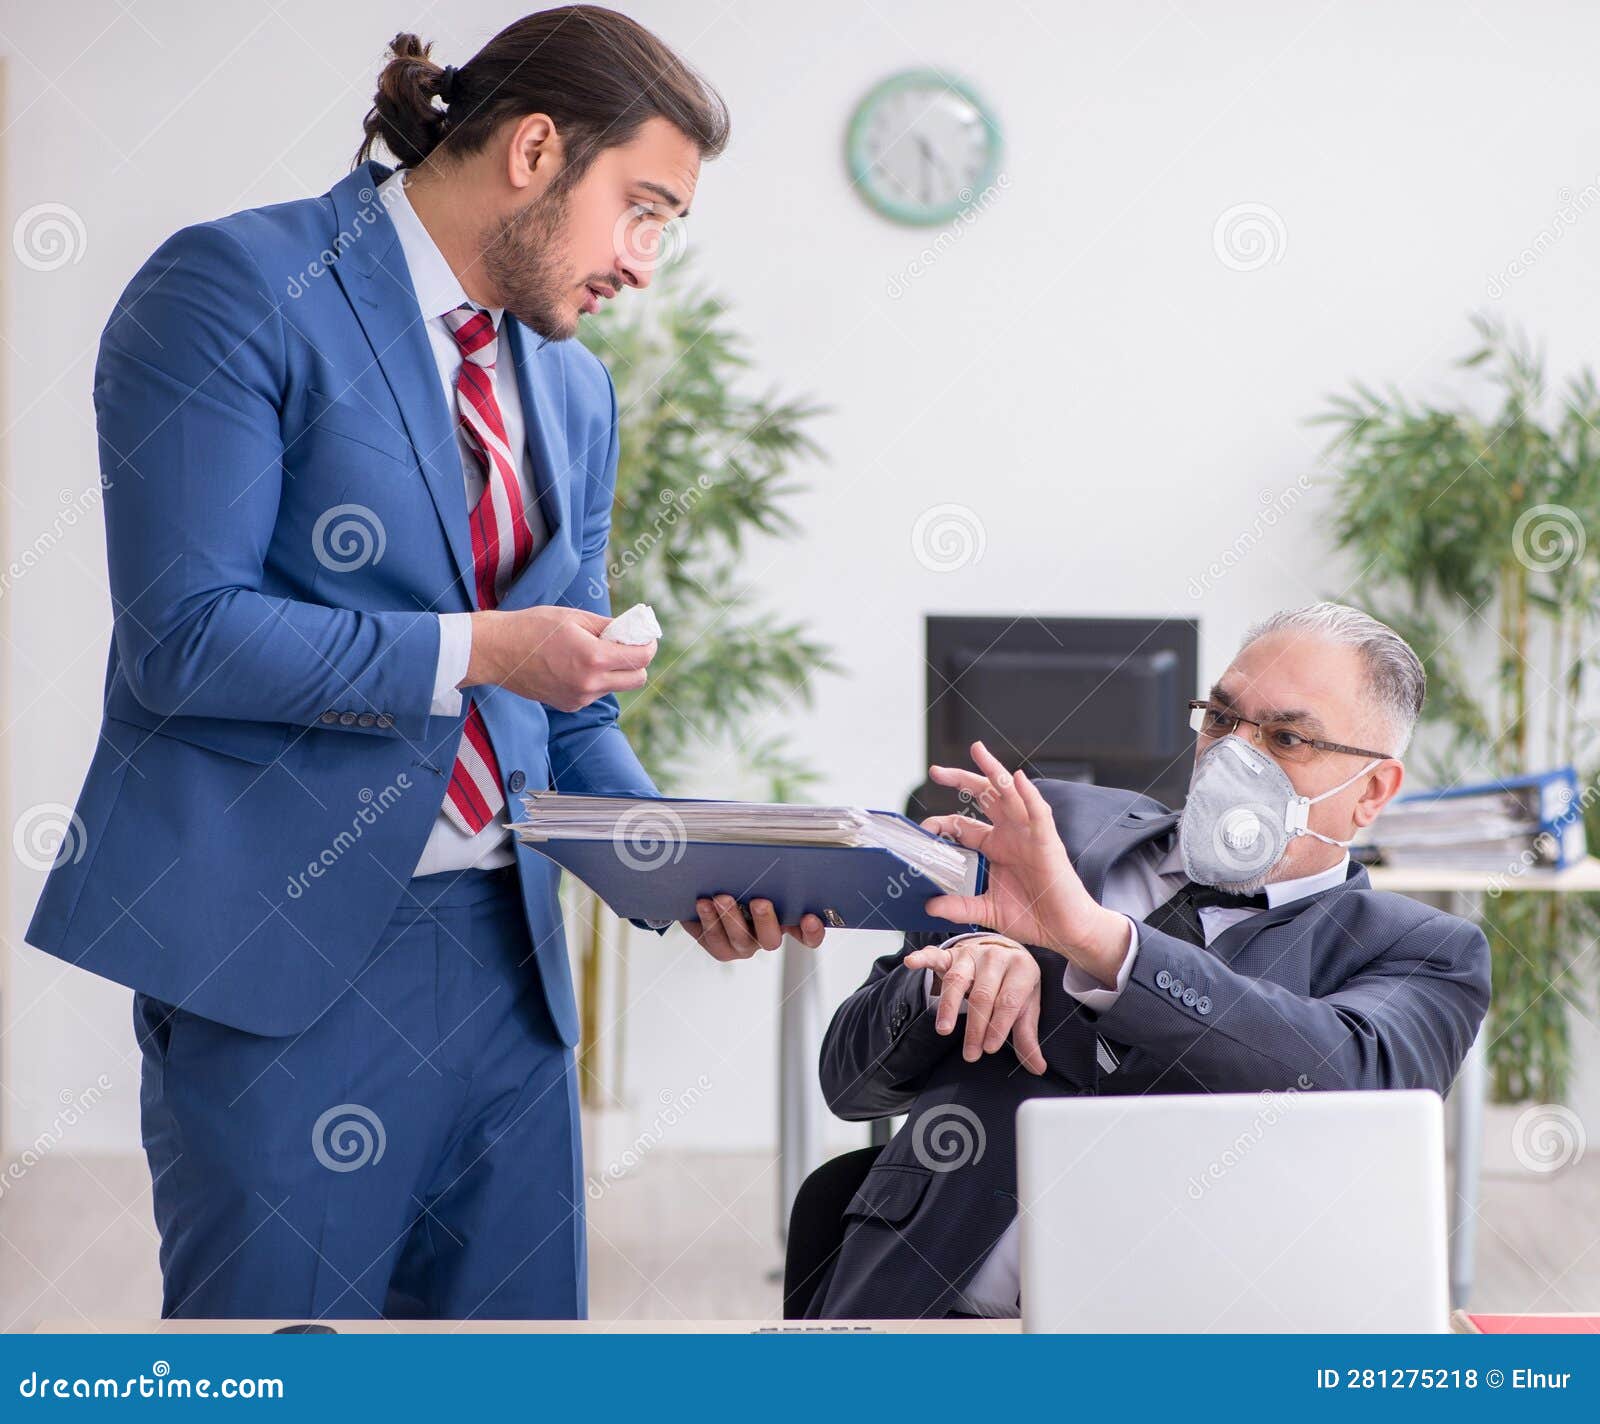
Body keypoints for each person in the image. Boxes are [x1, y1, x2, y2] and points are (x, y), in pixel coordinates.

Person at [27, 7, 822, 1321]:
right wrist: (482, 649)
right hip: (287, 963)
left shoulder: (572, 391)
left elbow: (562, 711)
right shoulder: (236, 286)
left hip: (508, 975)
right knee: (286, 1377)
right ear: (534, 150)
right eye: (643, 208)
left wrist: (684, 870)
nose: (644, 263)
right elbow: (185, 637)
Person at [808, 603, 1490, 1319]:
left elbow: (1352, 1084)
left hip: (1194, 1354)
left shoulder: (1423, 951)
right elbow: (846, 1082)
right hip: (920, 1324)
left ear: (1373, 791)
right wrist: (948, 979)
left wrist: (1100, 943)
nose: (1235, 756)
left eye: (1286, 737)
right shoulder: (1049, 828)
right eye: (1223, 720)